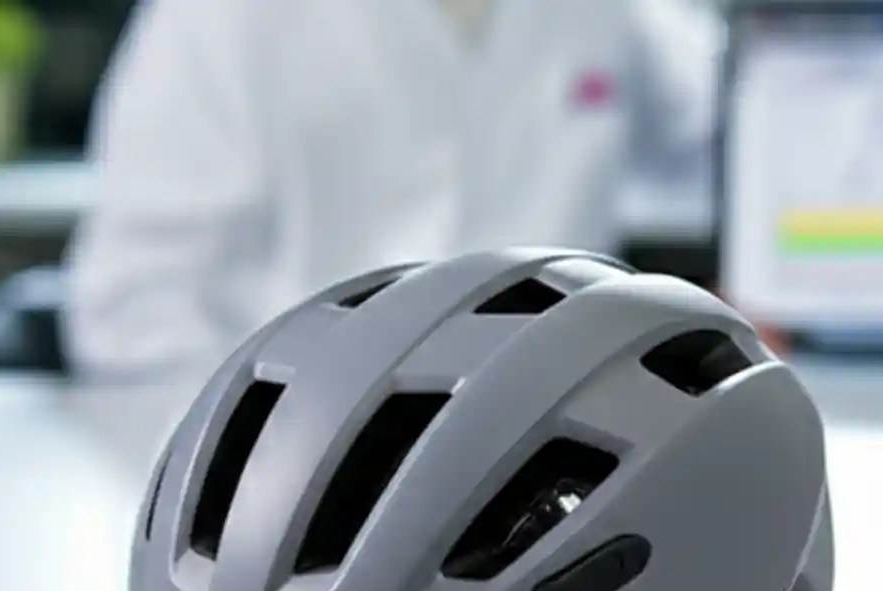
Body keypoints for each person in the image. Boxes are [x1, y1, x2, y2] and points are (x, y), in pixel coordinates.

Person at [65, 0, 721, 379]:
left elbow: (745, 133)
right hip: (295, 459)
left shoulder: (616, 14)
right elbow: (132, 317)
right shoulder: (221, 18)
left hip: (551, 445)